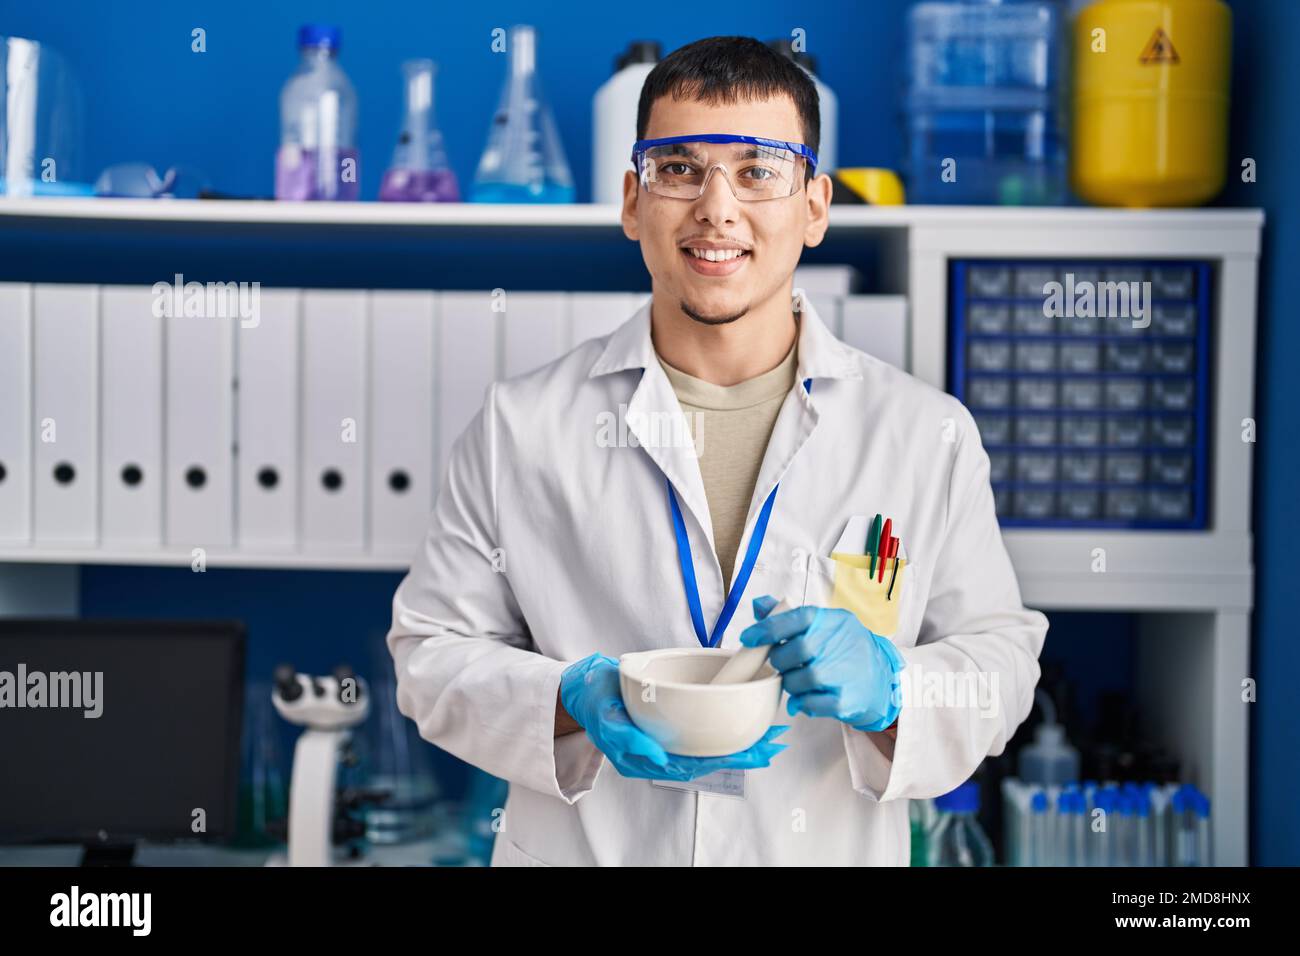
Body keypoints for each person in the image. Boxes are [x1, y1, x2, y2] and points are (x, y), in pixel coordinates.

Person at [387, 35, 1047, 866]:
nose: (717, 208)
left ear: (814, 206)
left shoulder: (924, 434)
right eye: (680, 169)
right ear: (633, 201)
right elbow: (428, 656)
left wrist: (893, 689)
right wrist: (568, 699)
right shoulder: (521, 426)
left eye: (758, 170)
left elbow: (1000, 665)